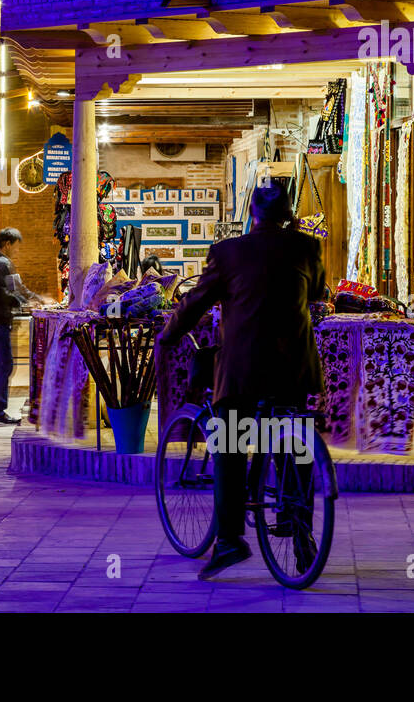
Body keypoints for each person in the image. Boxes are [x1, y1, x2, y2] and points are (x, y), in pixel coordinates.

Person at [157, 182, 329, 581]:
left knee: (231, 446)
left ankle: (231, 540)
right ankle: (299, 529)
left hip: (244, 371)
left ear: (252, 214)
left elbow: (195, 302)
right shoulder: (307, 248)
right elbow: (318, 292)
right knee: (297, 442)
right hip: (295, 369)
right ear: (288, 215)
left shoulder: (228, 252)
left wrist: (168, 336)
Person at [0, 227, 39, 425]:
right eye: (16, 246)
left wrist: (31, 298)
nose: (17, 250)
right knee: (5, 364)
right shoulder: (3, 263)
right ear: (7, 244)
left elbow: (15, 289)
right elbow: (9, 292)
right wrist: (27, 302)